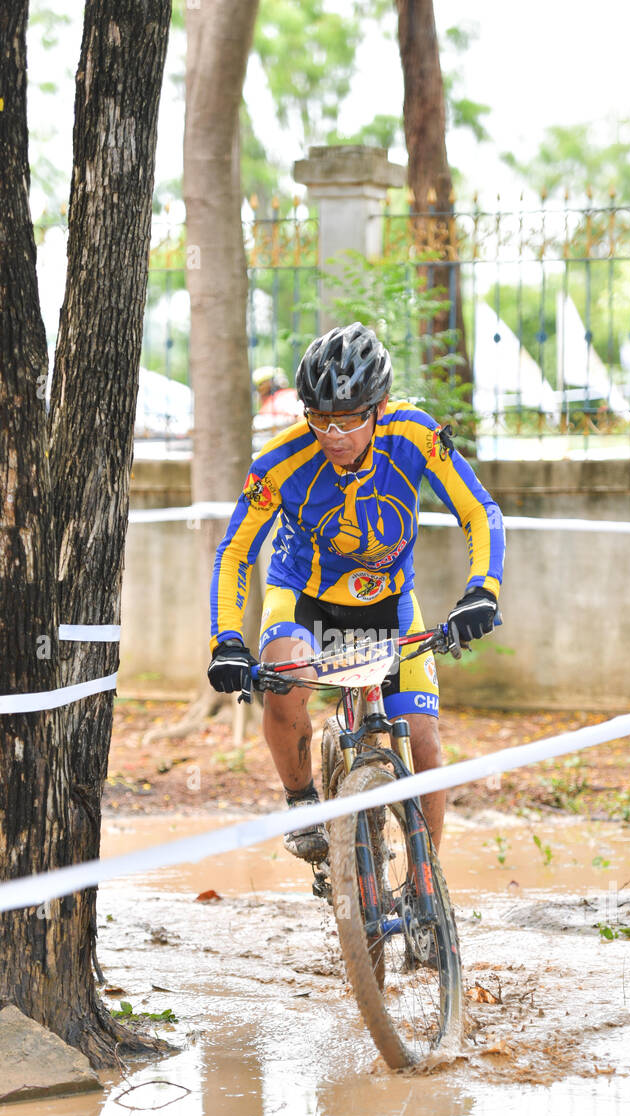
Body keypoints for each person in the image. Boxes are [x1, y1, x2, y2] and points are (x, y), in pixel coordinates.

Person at [208, 322, 504, 861]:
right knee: (283, 683)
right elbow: (234, 554)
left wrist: (482, 591)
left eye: (348, 419)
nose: (333, 435)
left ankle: (427, 884)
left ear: (380, 405)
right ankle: (301, 801)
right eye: (319, 419)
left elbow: (477, 510)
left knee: (425, 741)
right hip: (305, 598)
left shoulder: (415, 435)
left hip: (389, 603)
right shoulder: (277, 463)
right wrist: (225, 641)